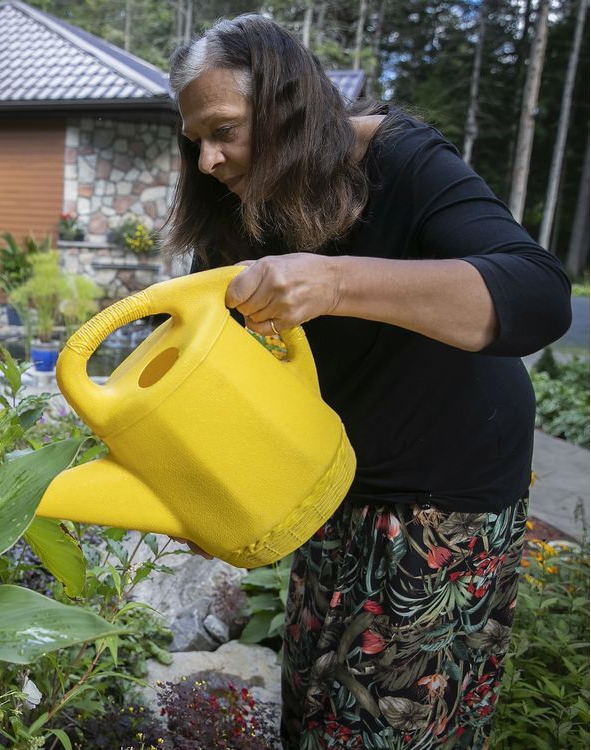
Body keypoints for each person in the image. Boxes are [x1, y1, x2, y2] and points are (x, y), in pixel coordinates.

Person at [165, 14, 572, 749]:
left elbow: (537, 295)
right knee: (319, 704)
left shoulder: (401, 159)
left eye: (223, 131)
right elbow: (213, 362)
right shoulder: (240, 202)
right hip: (334, 478)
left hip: (445, 494)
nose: (207, 159)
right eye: (194, 139)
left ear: (289, 108)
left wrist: (335, 282)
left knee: (395, 725)